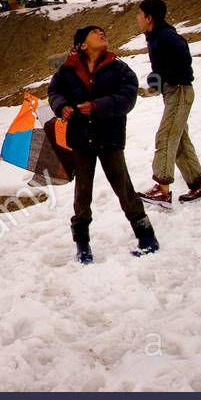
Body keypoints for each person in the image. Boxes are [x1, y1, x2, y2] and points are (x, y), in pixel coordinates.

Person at [48, 26, 158, 263]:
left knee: (124, 187)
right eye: (95, 32)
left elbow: (128, 96)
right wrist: (62, 106)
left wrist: (98, 106)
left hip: (110, 137)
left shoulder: (118, 68)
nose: (102, 33)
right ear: (83, 44)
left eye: (103, 31)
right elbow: (54, 91)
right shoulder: (66, 70)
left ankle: (147, 236)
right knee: (82, 193)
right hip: (81, 137)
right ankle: (83, 246)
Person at [135, 0, 201, 209]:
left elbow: (183, 59)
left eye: (140, 14)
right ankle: (200, 184)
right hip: (173, 92)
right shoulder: (155, 35)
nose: (137, 18)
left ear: (149, 18)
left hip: (179, 90)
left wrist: (165, 77)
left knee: (166, 136)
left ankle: (162, 190)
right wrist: (158, 78)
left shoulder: (165, 36)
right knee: (178, 139)